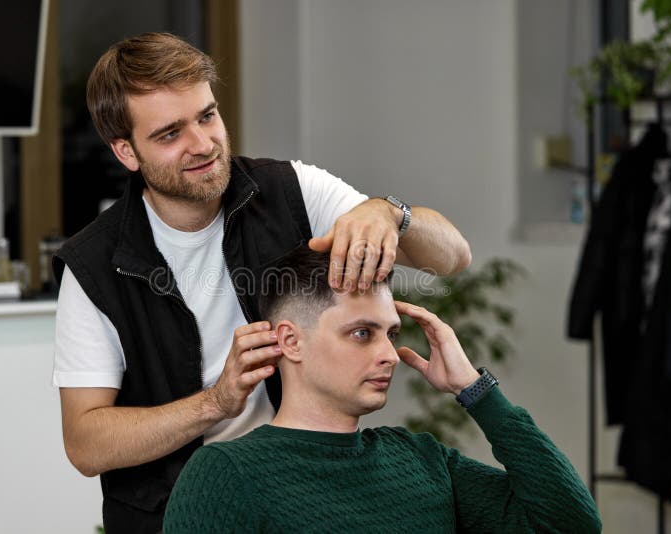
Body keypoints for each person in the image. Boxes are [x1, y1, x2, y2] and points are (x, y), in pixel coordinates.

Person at [53, 32, 471, 532]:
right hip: (170, 518)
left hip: (297, 504)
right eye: (170, 134)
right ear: (126, 152)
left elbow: (452, 256)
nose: (203, 144)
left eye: (207, 116)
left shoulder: (292, 190)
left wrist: (388, 213)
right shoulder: (93, 266)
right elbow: (86, 443)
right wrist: (215, 403)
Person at [162, 248, 602, 533]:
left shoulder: (424, 461)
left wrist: (477, 391)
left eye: (391, 333)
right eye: (362, 333)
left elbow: (572, 524)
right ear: (290, 341)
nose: (390, 354)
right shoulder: (225, 473)